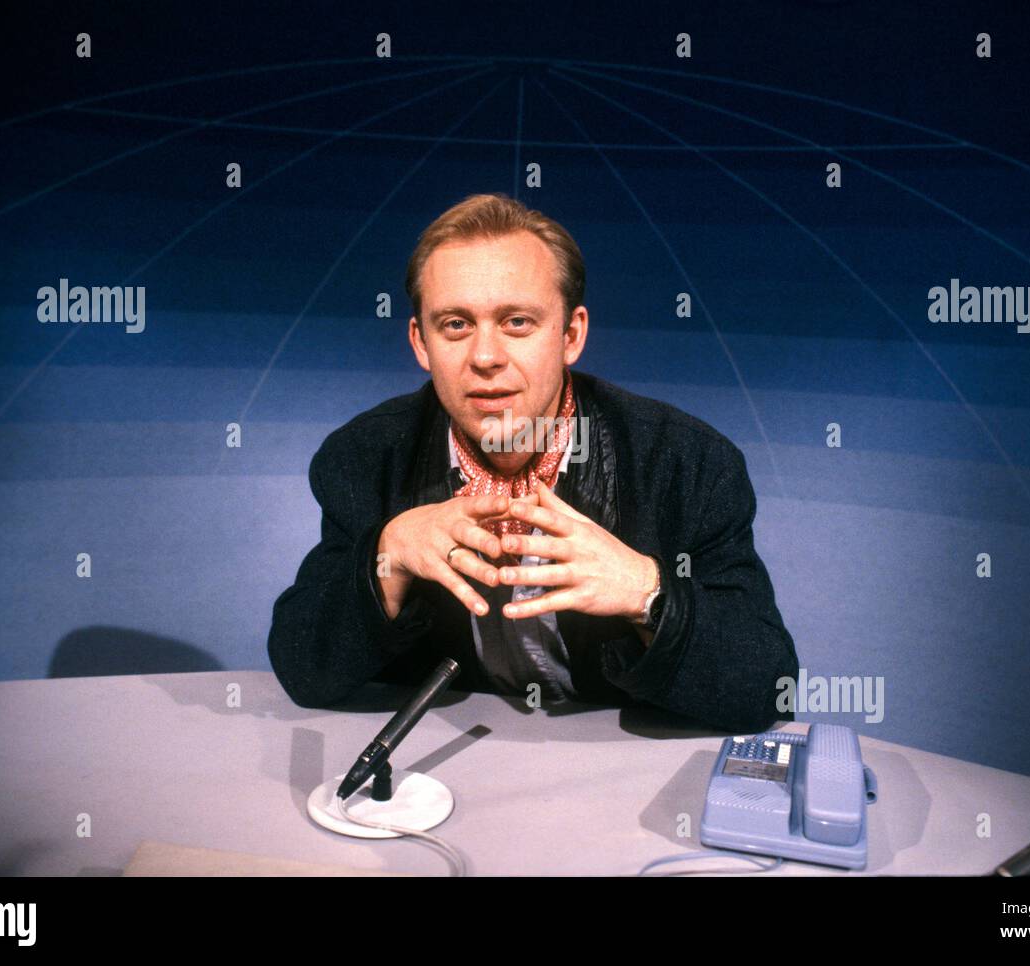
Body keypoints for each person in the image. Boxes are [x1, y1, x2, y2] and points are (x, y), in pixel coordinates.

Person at [267, 192, 798, 733]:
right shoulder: (364, 459)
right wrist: (388, 555)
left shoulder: (688, 464)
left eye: (517, 322)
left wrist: (647, 591)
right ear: (420, 342)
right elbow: (304, 669)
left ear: (571, 335)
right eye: (455, 324)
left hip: (612, 778)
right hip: (446, 778)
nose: (485, 357)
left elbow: (768, 690)